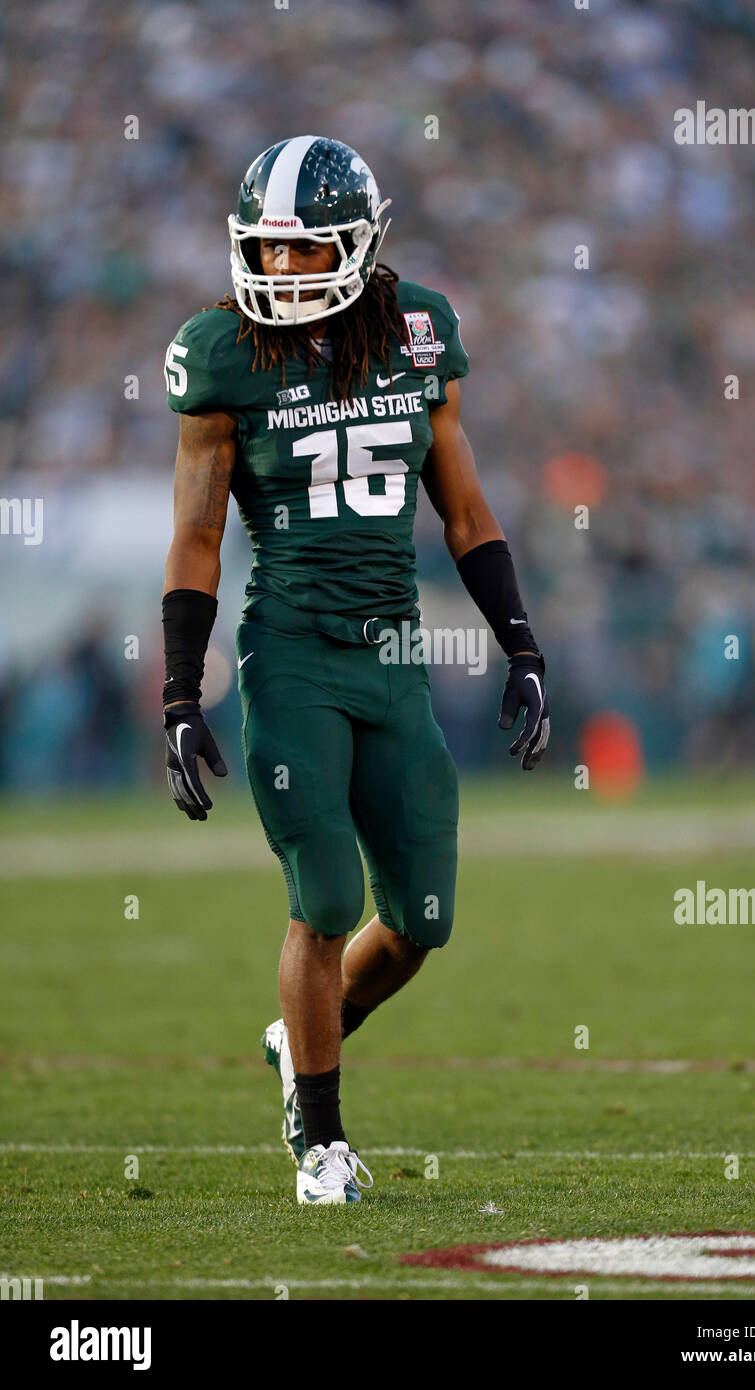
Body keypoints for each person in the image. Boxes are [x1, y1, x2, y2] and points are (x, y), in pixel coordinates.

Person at [161, 136, 549, 1204]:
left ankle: (303, 1039)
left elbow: (464, 511)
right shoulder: (219, 353)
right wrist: (179, 692)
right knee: (325, 895)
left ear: (358, 245)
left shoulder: (418, 331)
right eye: (266, 251)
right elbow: (196, 538)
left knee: (421, 919)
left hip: (394, 657)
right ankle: (320, 1140)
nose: (280, 271)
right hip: (289, 653)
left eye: (303, 249)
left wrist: (520, 646)